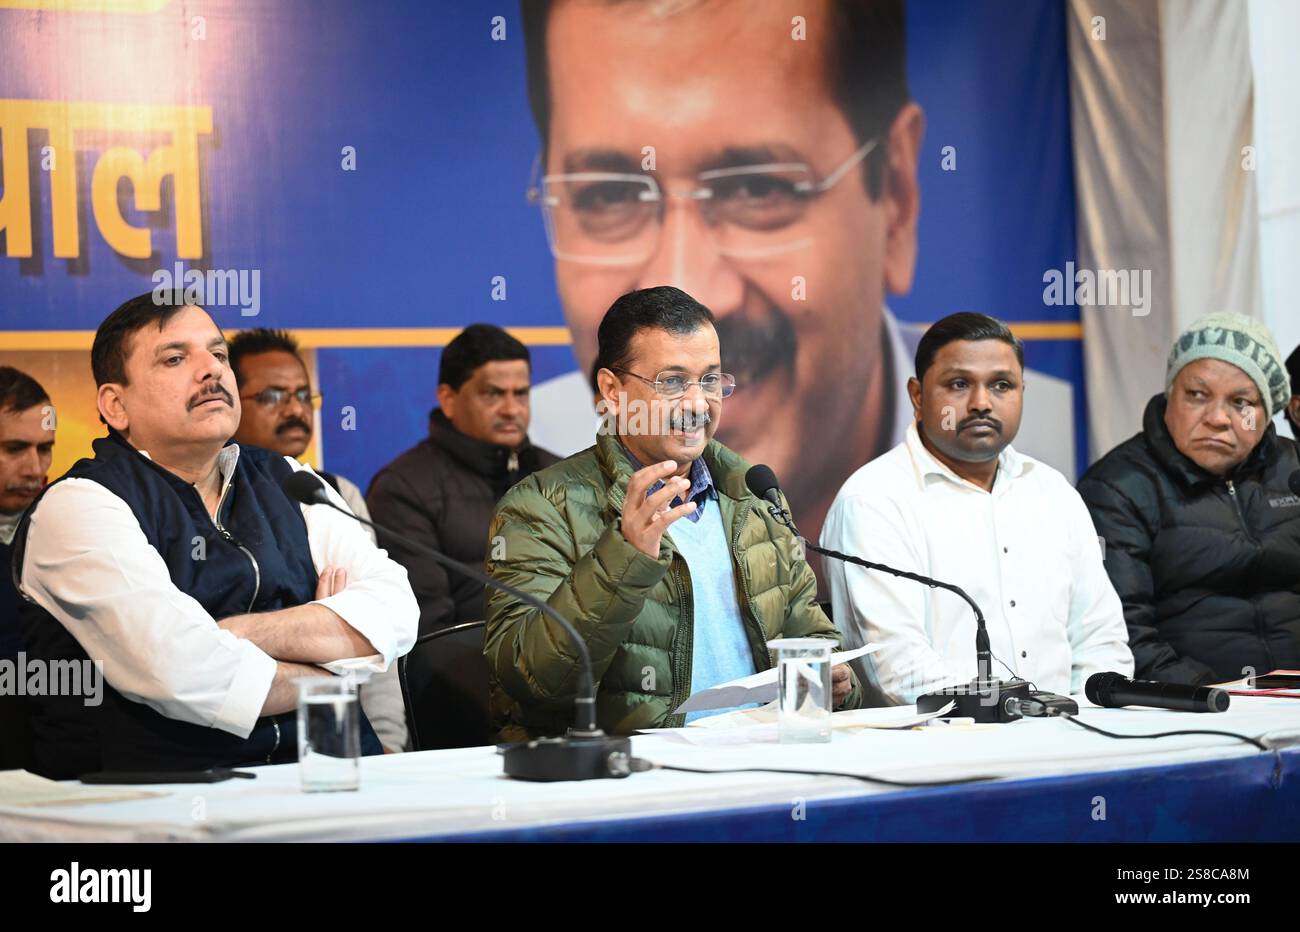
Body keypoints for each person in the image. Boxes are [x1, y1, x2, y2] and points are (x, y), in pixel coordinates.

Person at [520, 0, 1076, 551]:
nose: (691, 289)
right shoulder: (536, 490)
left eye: (757, 188)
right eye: (610, 195)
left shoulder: (1050, 465)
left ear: (898, 196)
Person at [13, 294, 418, 778]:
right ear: (115, 405)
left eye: (219, 354)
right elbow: (186, 672)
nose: (211, 371)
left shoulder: (288, 477)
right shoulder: (77, 505)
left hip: (330, 777)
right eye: (176, 358)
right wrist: (338, 662)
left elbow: (396, 612)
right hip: (158, 806)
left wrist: (241, 634)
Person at [484, 286, 860, 741]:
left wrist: (837, 683)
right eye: (672, 382)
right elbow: (533, 682)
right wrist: (624, 557)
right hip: (630, 778)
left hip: (765, 764)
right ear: (612, 390)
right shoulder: (539, 506)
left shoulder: (753, 498)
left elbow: (814, 641)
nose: (698, 404)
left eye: (710, 380)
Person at [822, 313, 1132, 705]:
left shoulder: (1054, 493)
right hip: (934, 747)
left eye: (1001, 385)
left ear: (1023, 391)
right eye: (959, 384)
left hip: (1071, 733)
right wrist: (1022, 713)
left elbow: (1101, 640)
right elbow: (899, 670)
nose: (981, 403)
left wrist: (1082, 719)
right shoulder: (873, 501)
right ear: (917, 396)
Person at [1079, 313, 1300, 685]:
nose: (1217, 418)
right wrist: (1212, 700)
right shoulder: (1116, 487)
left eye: (1241, 402)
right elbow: (1122, 635)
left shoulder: (1293, 467)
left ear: (1266, 416)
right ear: (1169, 397)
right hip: (1196, 714)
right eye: (1197, 395)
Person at [229, 327, 407, 752]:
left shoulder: (332, 493)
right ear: (229, 401)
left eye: (303, 396)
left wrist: (388, 739)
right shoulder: (198, 501)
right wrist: (320, 623)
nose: (295, 410)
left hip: (345, 734)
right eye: (273, 396)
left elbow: (379, 631)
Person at [368, 324, 558, 635]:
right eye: (493, 394)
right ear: (448, 399)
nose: (512, 409)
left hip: (572, 674)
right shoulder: (403, 489)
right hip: (465, 678)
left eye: (521, 393)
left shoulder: (557, 476)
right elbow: (428, 635)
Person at [0, 367, 55, 770]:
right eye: (15, 448)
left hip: (62, 767)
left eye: (44, 448)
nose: (34, 469)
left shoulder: (74, 521)